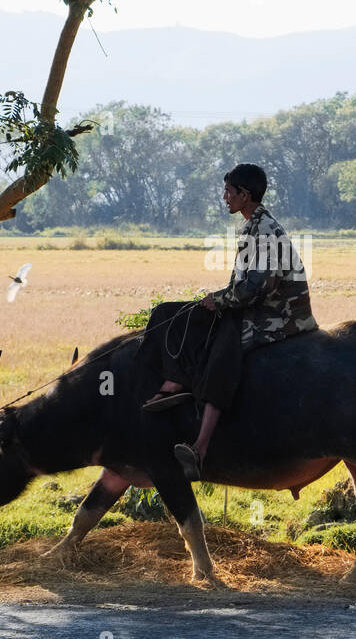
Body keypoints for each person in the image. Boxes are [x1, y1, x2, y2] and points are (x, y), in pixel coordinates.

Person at [136, 163, 317, 479]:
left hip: (277, 316)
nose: (224, 197)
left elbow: (256, 288)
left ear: (244, 195)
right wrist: (216, 300)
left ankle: (201, 446)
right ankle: (172, 381)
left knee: (222, 349)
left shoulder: (265, 231)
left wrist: (218, 300)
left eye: (228, 192)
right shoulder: (251, 226)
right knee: (167, 313)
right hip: (254, 307)